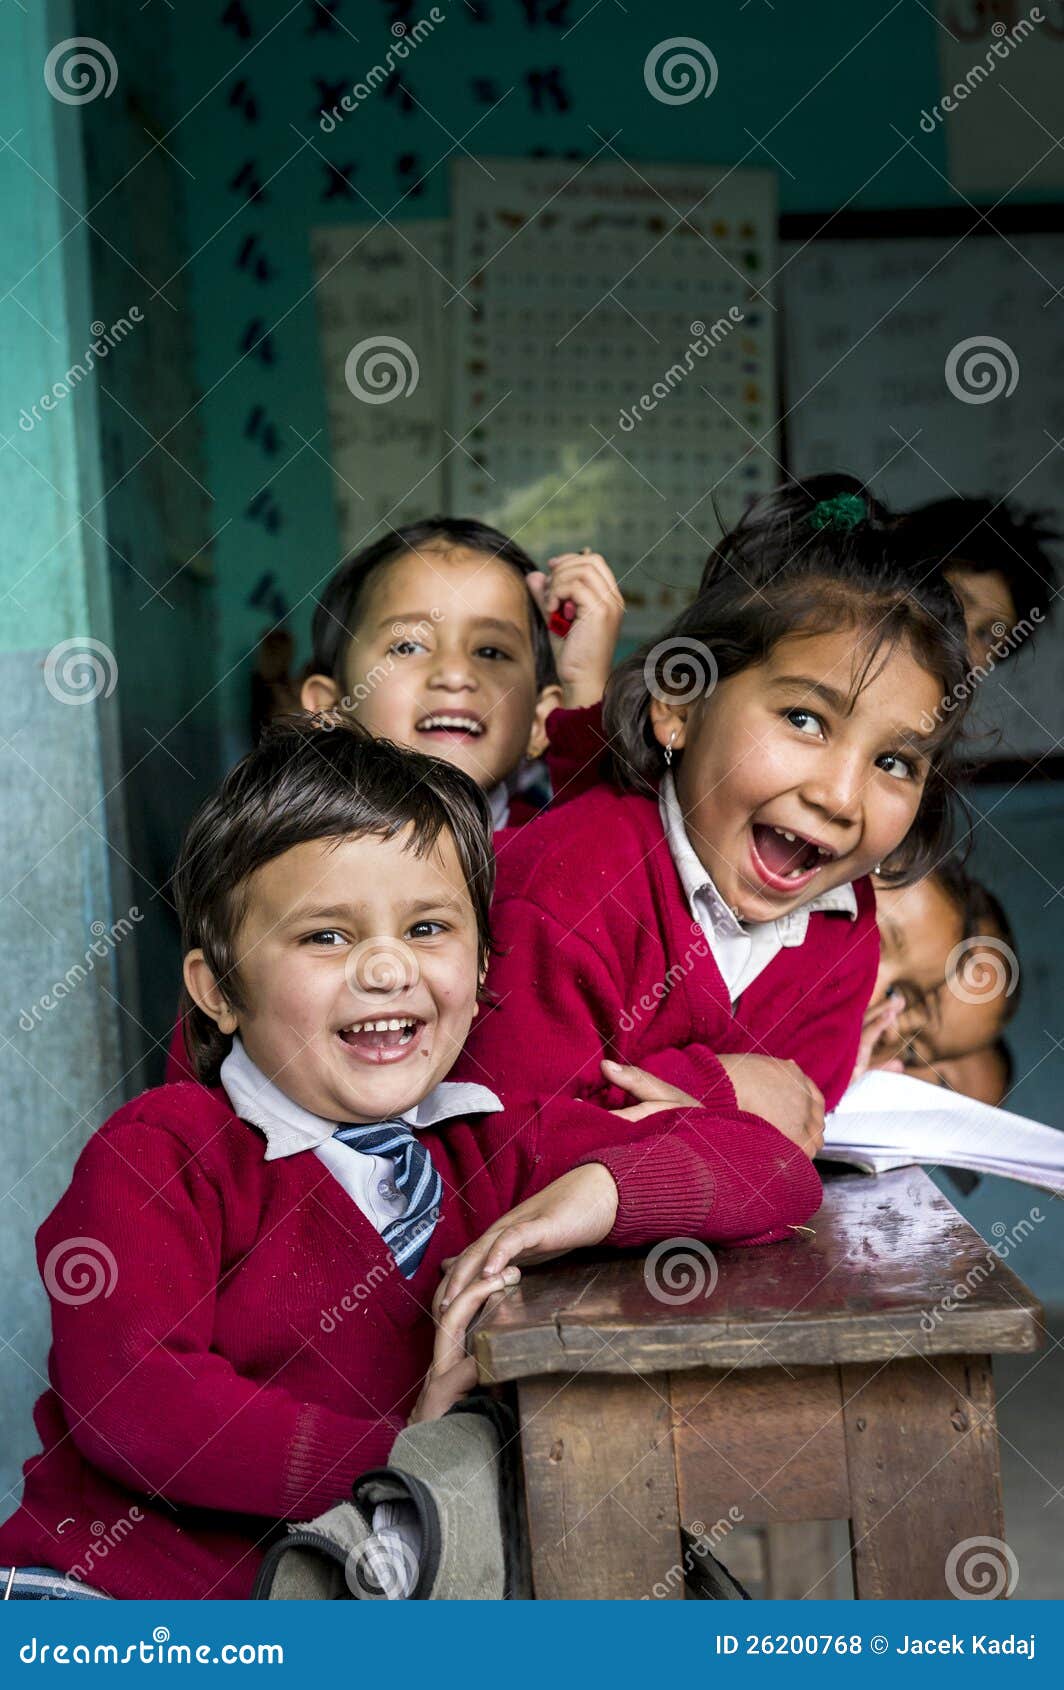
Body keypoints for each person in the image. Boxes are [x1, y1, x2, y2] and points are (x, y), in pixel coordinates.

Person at [0, 719, 818, 1601]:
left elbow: (774, 1174)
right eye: (326, 937)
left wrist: (593, 1194)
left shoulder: (498, 1144)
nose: (388, 969)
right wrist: (401, 1458)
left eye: (429, 927)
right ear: (219, 988)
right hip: (108, 1599)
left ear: (482, 965)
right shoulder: (163, 1153)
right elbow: (135, 1403)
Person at [457, 476, 973, 1158]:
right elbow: (500, 1155)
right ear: (679, 706)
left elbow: (782, 1156)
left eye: (896, 763)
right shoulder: (570, 881)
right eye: (804, 719)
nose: (842, 798)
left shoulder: (842, 936)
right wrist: (719, 1093)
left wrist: (679, 1128)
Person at [299, 517, 624, 825]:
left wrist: (583, 684)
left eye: (490, 652)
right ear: (330, 709)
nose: (455, 676)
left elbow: (599, 847)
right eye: (408, 647)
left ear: (541, 722)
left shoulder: (551, 854)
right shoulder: (292, 855)